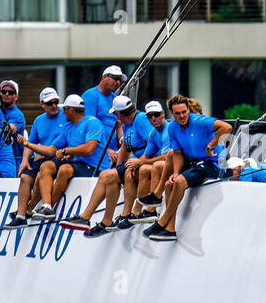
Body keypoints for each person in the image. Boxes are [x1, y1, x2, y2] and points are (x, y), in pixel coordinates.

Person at [145, 95, 232, 242]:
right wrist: (175, 172)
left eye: (184, 112)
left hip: (213, 163)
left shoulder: (199, 121)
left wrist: (212, 143)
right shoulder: (172, 127)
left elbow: (227, 127)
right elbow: (178, 153)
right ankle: (169, 230)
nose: (182, 116)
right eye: (177, 113)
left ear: (188, 110)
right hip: (195, 162)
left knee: (179, 182)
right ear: (172, 114)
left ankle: (162, 221)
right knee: (170, 183)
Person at [79, 95, 158, 237]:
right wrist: (118, 168)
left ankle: (92, 218)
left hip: (148, 163)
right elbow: (125, 147)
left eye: (115, 114)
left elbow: (154, 142)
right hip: (138, 163)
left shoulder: (140, 120)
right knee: (109, 175)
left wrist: (140, 162)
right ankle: (100, 220)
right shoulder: (129, 123)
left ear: (119, 114)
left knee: (107, 175)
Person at [31, 94, 103, 222]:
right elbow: (51, 150)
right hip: (78, 164)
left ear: (71, 109)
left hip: (95, 167)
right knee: (46, 166)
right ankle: (47, 205)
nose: (63, 113)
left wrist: (66, 150)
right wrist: (27, 144)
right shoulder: (68, 127)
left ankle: (50, 206)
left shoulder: (92, 122)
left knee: (64, 169)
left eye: (65, 109)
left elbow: (89, 149)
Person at [7, 87, 65, 228]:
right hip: (42, 156)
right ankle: (21, 216)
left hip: (58, 156)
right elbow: (30, 144)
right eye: (49, 103)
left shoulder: (66, 115)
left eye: (56, 102)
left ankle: (35, 208)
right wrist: (24, 160)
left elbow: (67, 140)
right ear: (42, 105)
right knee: (25, 177)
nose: (54, 105)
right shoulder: (39, 120)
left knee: (41, 173)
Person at [126, 101, 174, 224]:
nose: (154, 118)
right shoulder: (153, 133)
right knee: (143, 169)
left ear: (163, 114)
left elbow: (164, 157)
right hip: (169, 163)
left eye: (156, 114)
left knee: (154, 167)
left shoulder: (168, 130)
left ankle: (152, 209)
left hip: (177, 163)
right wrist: (135, 164)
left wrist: (139, 162)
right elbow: (145, 156)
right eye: (150, 116)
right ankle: (135, 213)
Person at [81, 65, 125, 146]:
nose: (118, 82)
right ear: (104, 77)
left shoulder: (115, 98)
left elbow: (119, 125)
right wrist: (106, 150)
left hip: (114, 151)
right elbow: (87, 128)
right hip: (99, 152)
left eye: (120, 80)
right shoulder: (90, 95)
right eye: (115, 78)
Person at [0, 79, 27, 169]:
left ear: (16, 96)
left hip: (13, 162)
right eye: (4, 91)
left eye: (11, 92)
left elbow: (7, 131)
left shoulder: (18, 115)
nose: (7, 94)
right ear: (0, 93)